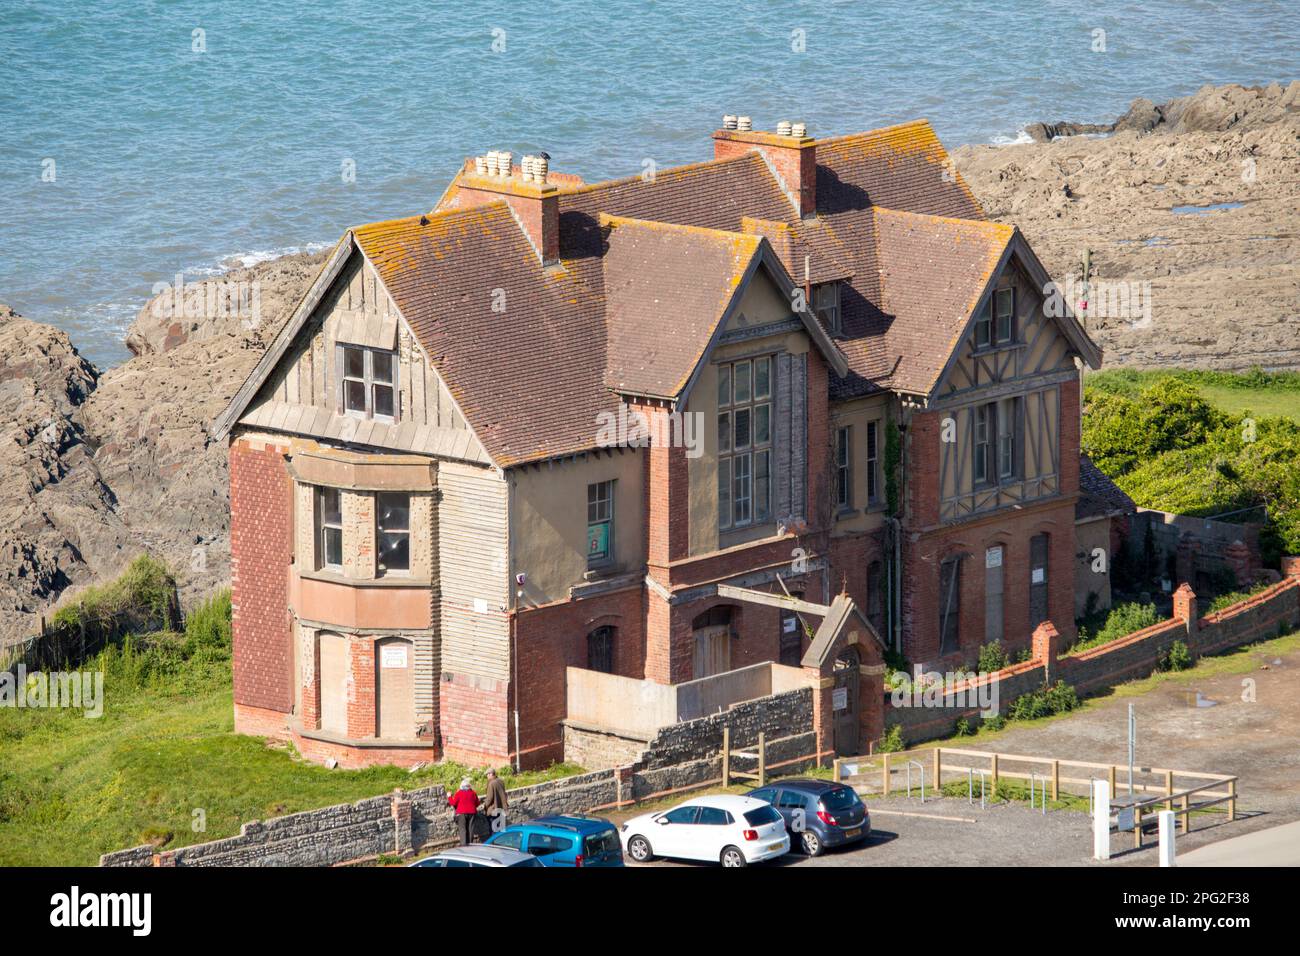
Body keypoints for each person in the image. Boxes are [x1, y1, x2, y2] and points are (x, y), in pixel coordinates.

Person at [448, 778, 479, 846]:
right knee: (471, 829)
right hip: (472, 813)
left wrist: (449, 797)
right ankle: (470, 844)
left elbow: (453, 803)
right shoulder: (473, 793)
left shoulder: (459, 793)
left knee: (463, 830)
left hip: (462, 813)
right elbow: (477, 803)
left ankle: (464, 845)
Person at [481, 768, 509, 833]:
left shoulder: (491, 783)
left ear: (491, 774)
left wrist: (485, 806)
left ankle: (493, 843)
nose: (487, 776)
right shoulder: (501, 781)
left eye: (487, 775)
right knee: (501, 829)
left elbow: (489, 798)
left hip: (494, 809)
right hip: (502, 808)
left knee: (493, 830)